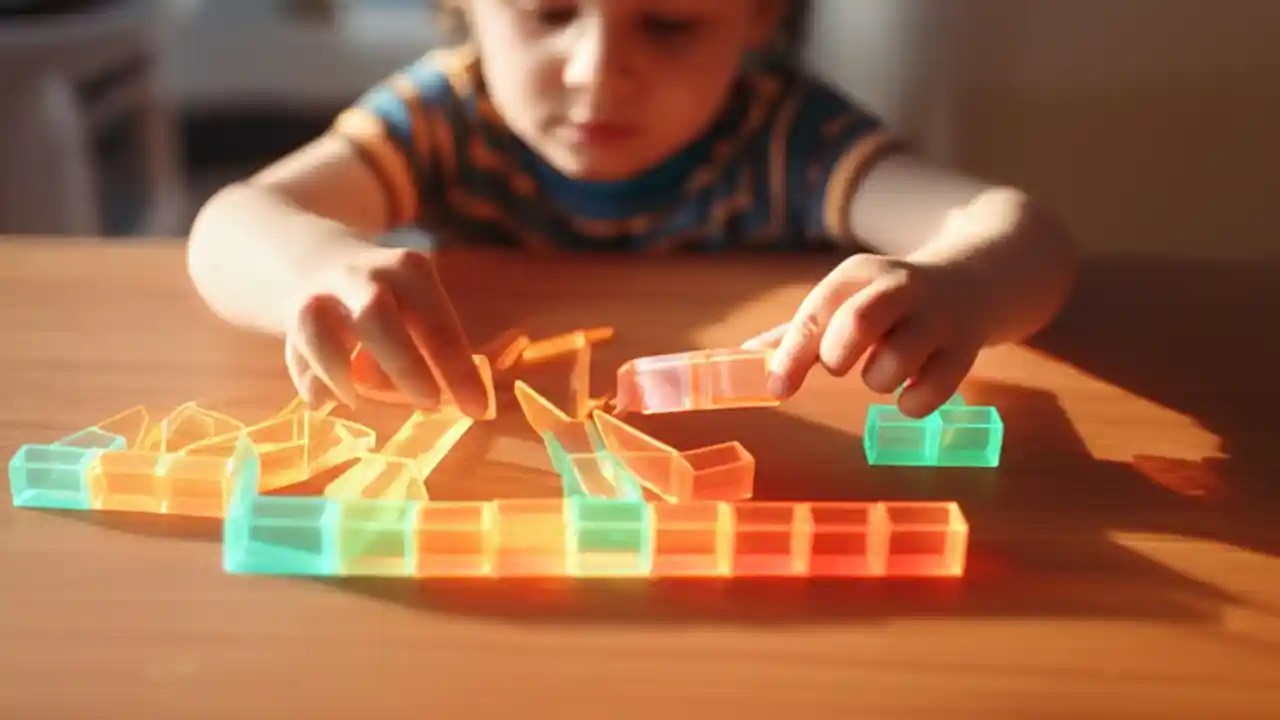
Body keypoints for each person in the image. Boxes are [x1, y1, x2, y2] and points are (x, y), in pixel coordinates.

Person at [187, 0, 1077, 421]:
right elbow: (233, 221)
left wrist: (961, 287)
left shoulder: (786, 135)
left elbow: (1024, 235)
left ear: (759, 17)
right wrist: (313, 267)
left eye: (669, 24)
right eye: (550, 14)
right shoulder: (444, 119)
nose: (597, 72)